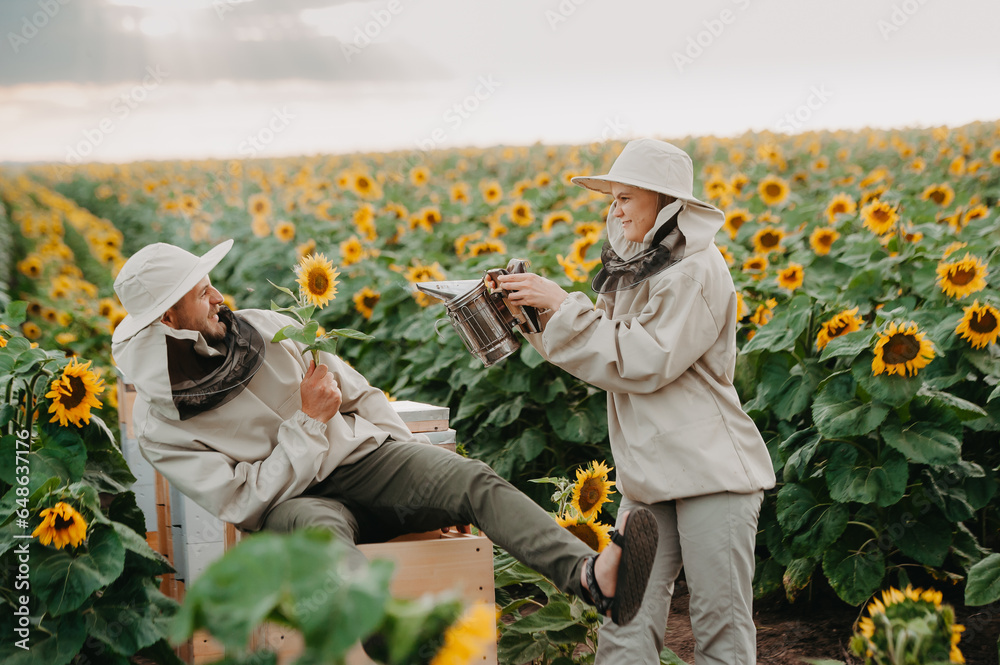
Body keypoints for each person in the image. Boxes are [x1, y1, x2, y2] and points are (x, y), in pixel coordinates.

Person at [109, 238, 660, 627]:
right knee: (324, 545)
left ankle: (590, 579)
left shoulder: (269, 328)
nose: (214, 294)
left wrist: (412, 454)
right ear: (166, 319)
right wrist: (307, 424)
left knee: (471, 479)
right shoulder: (160, 422)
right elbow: (242, 501)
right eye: (196, 291)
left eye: (207, 282)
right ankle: (390, 634)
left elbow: (362, 395)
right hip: (292, 503)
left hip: (366, 463)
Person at [494, 138, 777, 664]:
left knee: (721, 627)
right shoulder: (638, 264)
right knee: (624, 619)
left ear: (666, 202)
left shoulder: (694, 269)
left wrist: (561, 306)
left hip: (712, 475)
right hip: (648, 472)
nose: (615, 208)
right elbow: (604, 353)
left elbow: (643, 360)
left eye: (627, 196)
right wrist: (530, 316)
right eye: (613, 198)